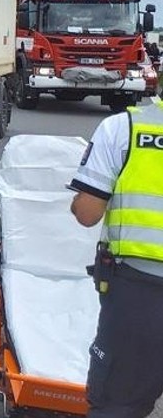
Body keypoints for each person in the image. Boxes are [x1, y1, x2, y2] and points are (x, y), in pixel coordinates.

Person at [70, 96, 163, 417]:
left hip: (139, 291)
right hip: (138, 290)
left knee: (119, 403)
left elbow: (87, 213)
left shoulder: (124, 129)